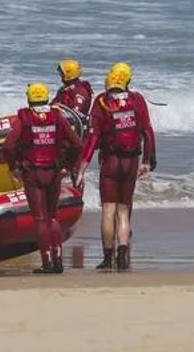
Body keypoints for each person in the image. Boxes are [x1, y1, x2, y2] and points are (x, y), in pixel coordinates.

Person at [75, 63, 156, 271]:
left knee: (108, 210)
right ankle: (122, 256)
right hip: (131, 161)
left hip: (110, 161)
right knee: (123, 211)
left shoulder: (102, 102)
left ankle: (107, 257)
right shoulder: (137, 100)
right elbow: (147, 131)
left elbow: (93, 138)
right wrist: (147, 161)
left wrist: (82, 168)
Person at [4, 82, 83, 274]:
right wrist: (68, 165)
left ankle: (46, 263)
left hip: (32, 173)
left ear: (29, 98)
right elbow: (77, 144)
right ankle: (58, 260)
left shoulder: (25, 118)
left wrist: (13, 166)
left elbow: (8, 146)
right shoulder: (57, 116)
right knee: (53, 216)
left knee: (40, 219)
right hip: (54, 171)